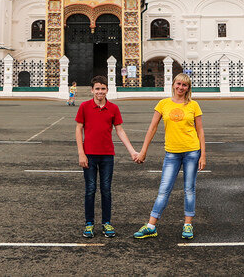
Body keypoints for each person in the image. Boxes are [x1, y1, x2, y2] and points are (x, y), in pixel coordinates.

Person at [133, 73, 205, 240]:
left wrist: (203, 155)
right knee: (164, 190)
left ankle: (187, 225)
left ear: (188, 88)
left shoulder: (194, 105)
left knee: (189, 189)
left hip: (192, 151)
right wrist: (143, 150)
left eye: (184, 85)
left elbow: (200, 131)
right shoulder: (163, 104)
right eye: (178, 84)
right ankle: (151, 226)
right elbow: (152, 128)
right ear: (173, 84)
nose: (181, 88)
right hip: (172, 152)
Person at [75, 76, 139, 238]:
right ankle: (89, 223)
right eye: (97, 89)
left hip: (107, 155)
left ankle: (106, 223)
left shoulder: (113, 108)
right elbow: (78, 129)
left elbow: (120, 131)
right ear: (92, 90)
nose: (100, 92)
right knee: (90, 190)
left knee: (106, 190)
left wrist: (132, 151)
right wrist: (81, 153)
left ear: (107, 90)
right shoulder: (84, 106)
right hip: (89, 154)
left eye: (103, 89)